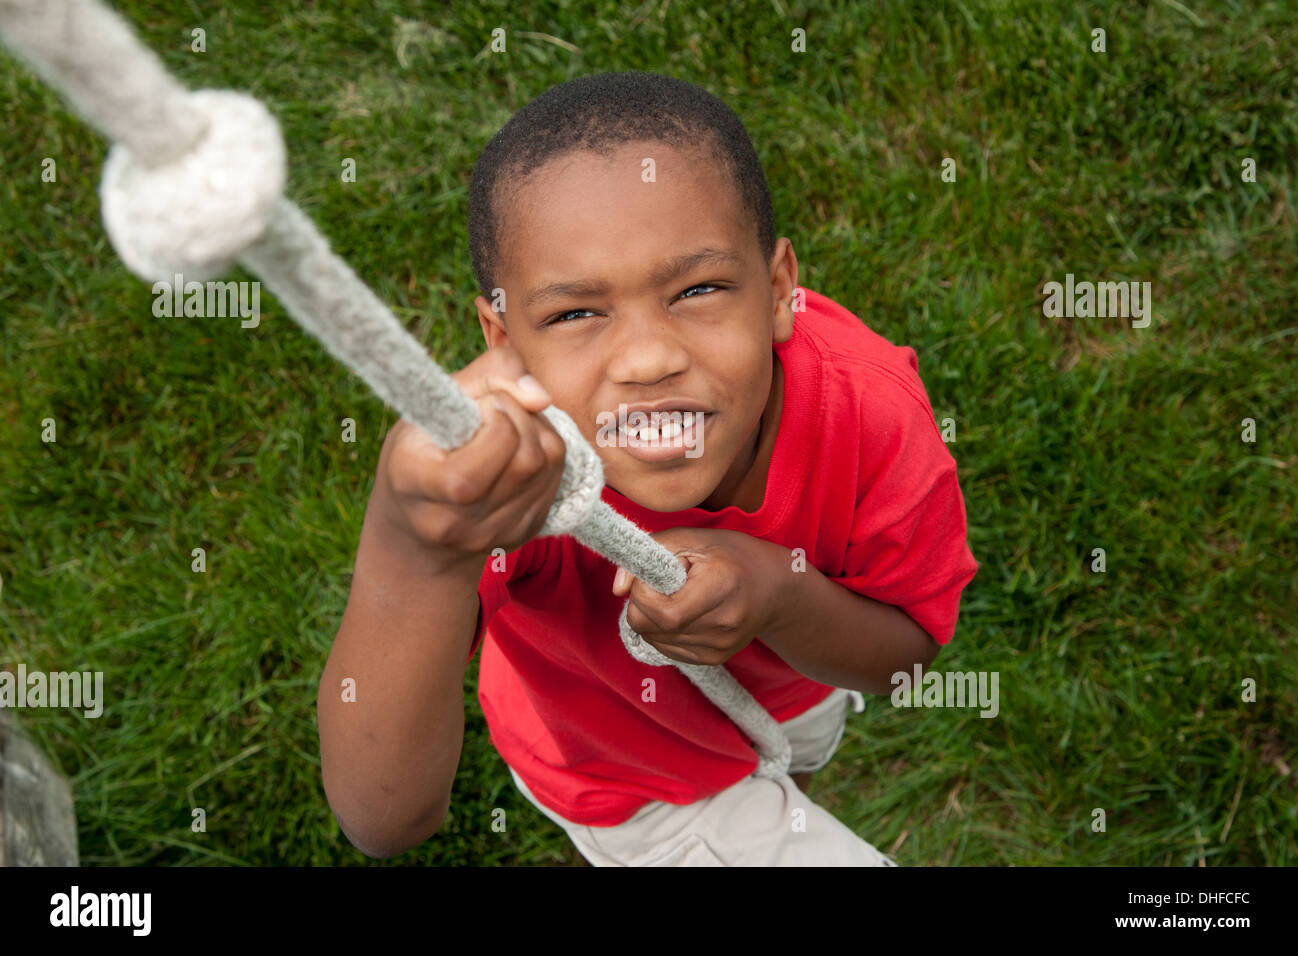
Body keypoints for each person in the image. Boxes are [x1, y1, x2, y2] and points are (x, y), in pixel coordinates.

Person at [316, 71, 979, 866]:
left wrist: (780, 592)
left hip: (797, 686)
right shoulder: (508, 479)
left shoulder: (869, 412)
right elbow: (383, 820)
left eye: (697, 289)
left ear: (778, 290)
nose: (647, 359)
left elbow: (903, 662)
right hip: (635, 784)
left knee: (801, 756)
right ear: (502, 340)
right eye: (574, 314)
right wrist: (413, 548)